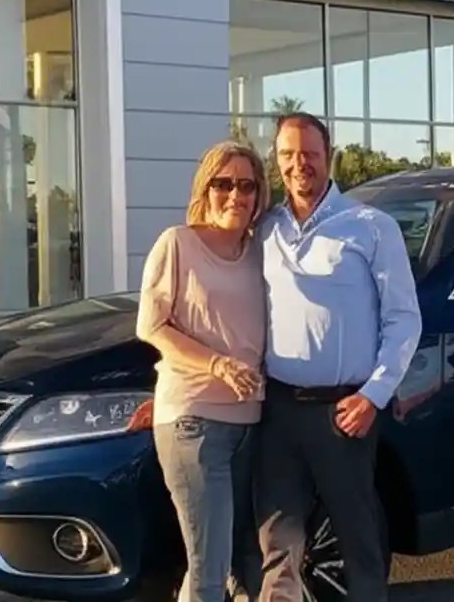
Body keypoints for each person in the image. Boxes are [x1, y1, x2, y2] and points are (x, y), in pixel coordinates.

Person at [253, 112, 423, 601]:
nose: (298, 164)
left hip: (343, 412)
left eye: (309, 153)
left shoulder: (371, 227)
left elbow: (404, 319)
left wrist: (373, 396)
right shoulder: (265, 228)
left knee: (359, 541)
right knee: (277, 541)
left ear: (330, 157)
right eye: (287, 154)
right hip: (278, 410)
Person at [135, 140, 270, 602]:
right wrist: (216, 363)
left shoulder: (261, 251)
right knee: (209, 569)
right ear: (205, 188)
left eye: (247, 185)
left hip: (252, 424)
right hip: (194, 424)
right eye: (224, 183)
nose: (236, 195)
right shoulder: (178, 244)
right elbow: (151, 325)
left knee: (239, 563)